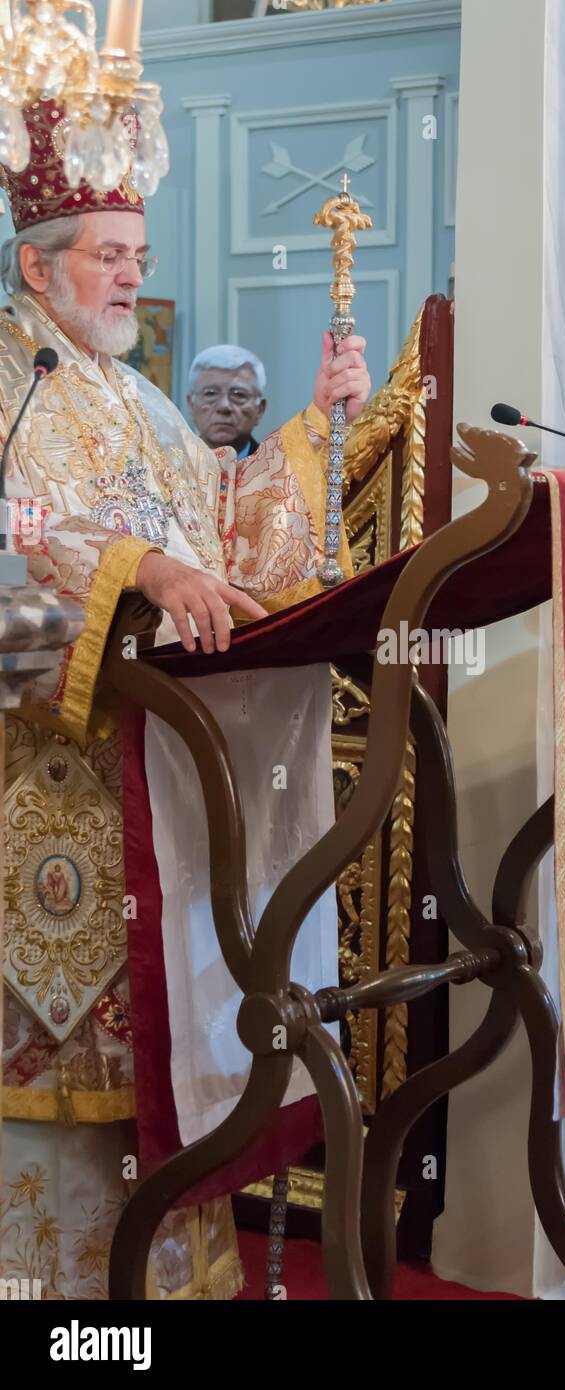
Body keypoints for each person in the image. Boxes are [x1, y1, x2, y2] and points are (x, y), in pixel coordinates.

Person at [0, 100, 370, 1299]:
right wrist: (133, 571)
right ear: (34, 262)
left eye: (137, 259)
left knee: (153, 1101)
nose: (129, 277)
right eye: (109, 255)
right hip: (40, 827)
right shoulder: (12, 386)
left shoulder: (143, 403)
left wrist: (319, 433)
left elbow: (226, 539)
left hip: (154, 816)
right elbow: (16, 563)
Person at [187, 344, 268, 458]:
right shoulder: (168, 470)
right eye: (210, 393)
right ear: (191, 405)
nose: (224, 406)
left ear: (260, 409)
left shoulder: (282, 472)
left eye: (238, 394)